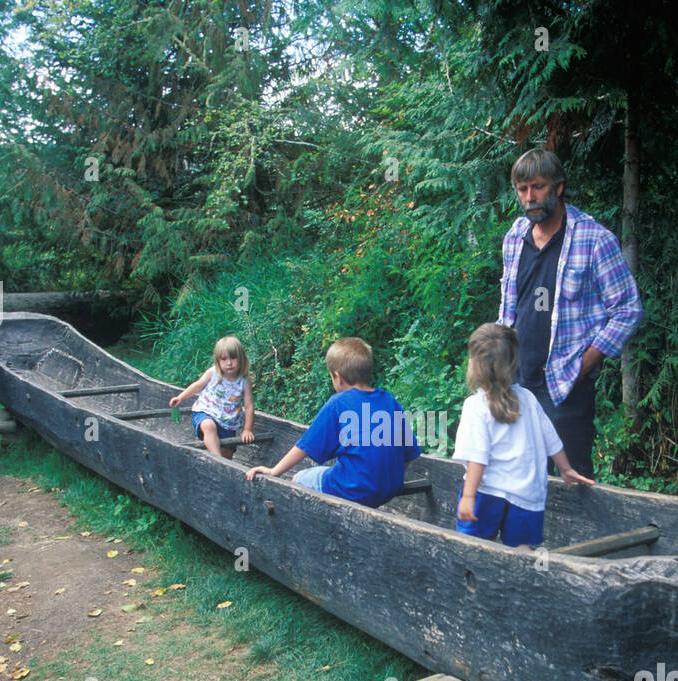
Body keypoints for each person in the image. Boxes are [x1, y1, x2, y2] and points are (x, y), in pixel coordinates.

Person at [497, 148, 642, 478]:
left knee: (574, 480)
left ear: (558, 187)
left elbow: (628, 309)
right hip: (516, 382)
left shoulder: (594, 240)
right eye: (522, 189)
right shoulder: (514, 238)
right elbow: (508, 309)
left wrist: (585, 363)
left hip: (564, 386)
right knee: (521, 477)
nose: (530, 197)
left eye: (538, 187)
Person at [454, 324, 593, 550]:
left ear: (475, 367)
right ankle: (523, 580)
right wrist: (566, 468)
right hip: (528, 493)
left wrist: (468, 496)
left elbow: (477, 457)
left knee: (472, 545)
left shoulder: (476, 406)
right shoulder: (527, 397)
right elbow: (551, 438)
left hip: (488, 492)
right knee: (522, 548)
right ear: (513, 364)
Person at [245, 337, 420, 507]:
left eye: (331, 377)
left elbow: (304, 446)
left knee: (299, 479)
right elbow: (408, 452)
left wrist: (274, 471)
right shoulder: (388, 400)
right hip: (390, 488)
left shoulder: (339, 403)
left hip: (354, 489)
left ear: (338, 377)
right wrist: (390, 479)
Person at [168, 335, 255, 459]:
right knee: (209, 426)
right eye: (224, 359)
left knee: (227, 454)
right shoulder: (213, 373)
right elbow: (198, 386)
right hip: (206, 412)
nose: (229, 363)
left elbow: (249, 405)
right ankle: (217, 460)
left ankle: (222, 463)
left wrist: (247, 429)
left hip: (228, 422)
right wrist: (181, 397)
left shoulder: (244, 381)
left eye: (233, 358)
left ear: (241, 359)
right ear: (218, 361)